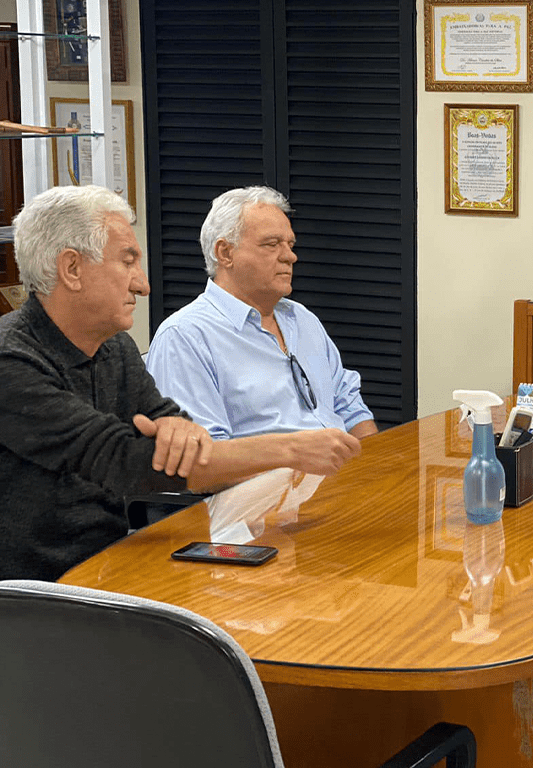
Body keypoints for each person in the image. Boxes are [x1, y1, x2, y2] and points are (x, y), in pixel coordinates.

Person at [0, 186, 361, 581]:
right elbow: (127, 461)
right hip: (33, 591)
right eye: (128, 262)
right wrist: (291, 448)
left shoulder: (114, 347)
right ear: (71, 269)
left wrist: (177, 431)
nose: (142, 285)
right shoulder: (10, 361)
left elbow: (175, 426)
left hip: (113, 561)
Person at [146, 187, 378, 442]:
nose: (290, 256)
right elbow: (204, 460)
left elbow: (348, 405)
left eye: (290, 244)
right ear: (225, 253)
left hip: (342, 475)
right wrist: (298, 462)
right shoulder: (184, 337)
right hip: (268, 480)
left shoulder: (302, 318)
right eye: (272, 244)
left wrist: (371, 465)